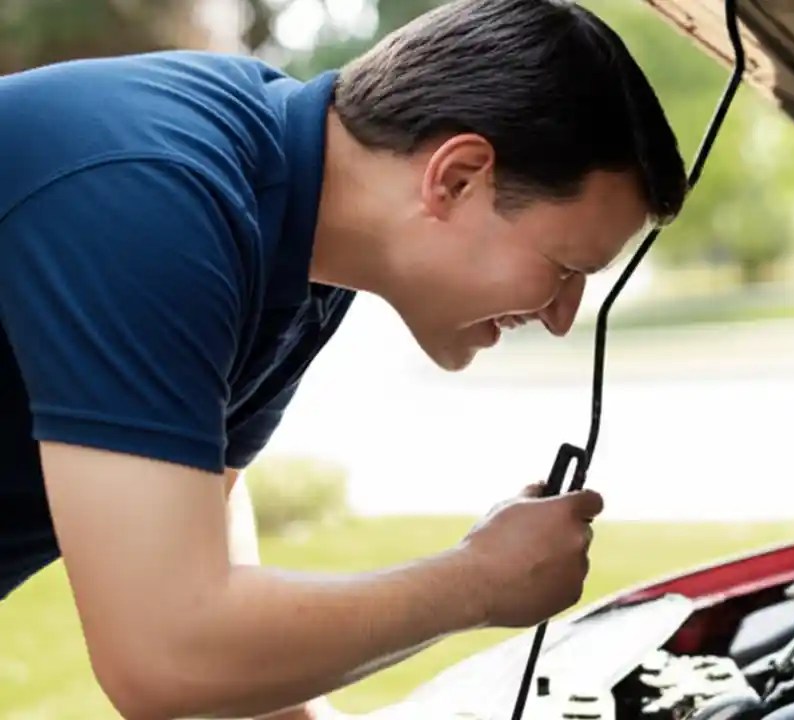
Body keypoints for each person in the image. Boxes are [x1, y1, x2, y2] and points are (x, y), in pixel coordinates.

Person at [0, 0, 687, 716]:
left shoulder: (299, 247)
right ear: (456, 178)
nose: (561, 316)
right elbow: (168, 651)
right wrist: (481, 580)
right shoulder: (156, 198)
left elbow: (206, 544)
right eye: (564, 266)